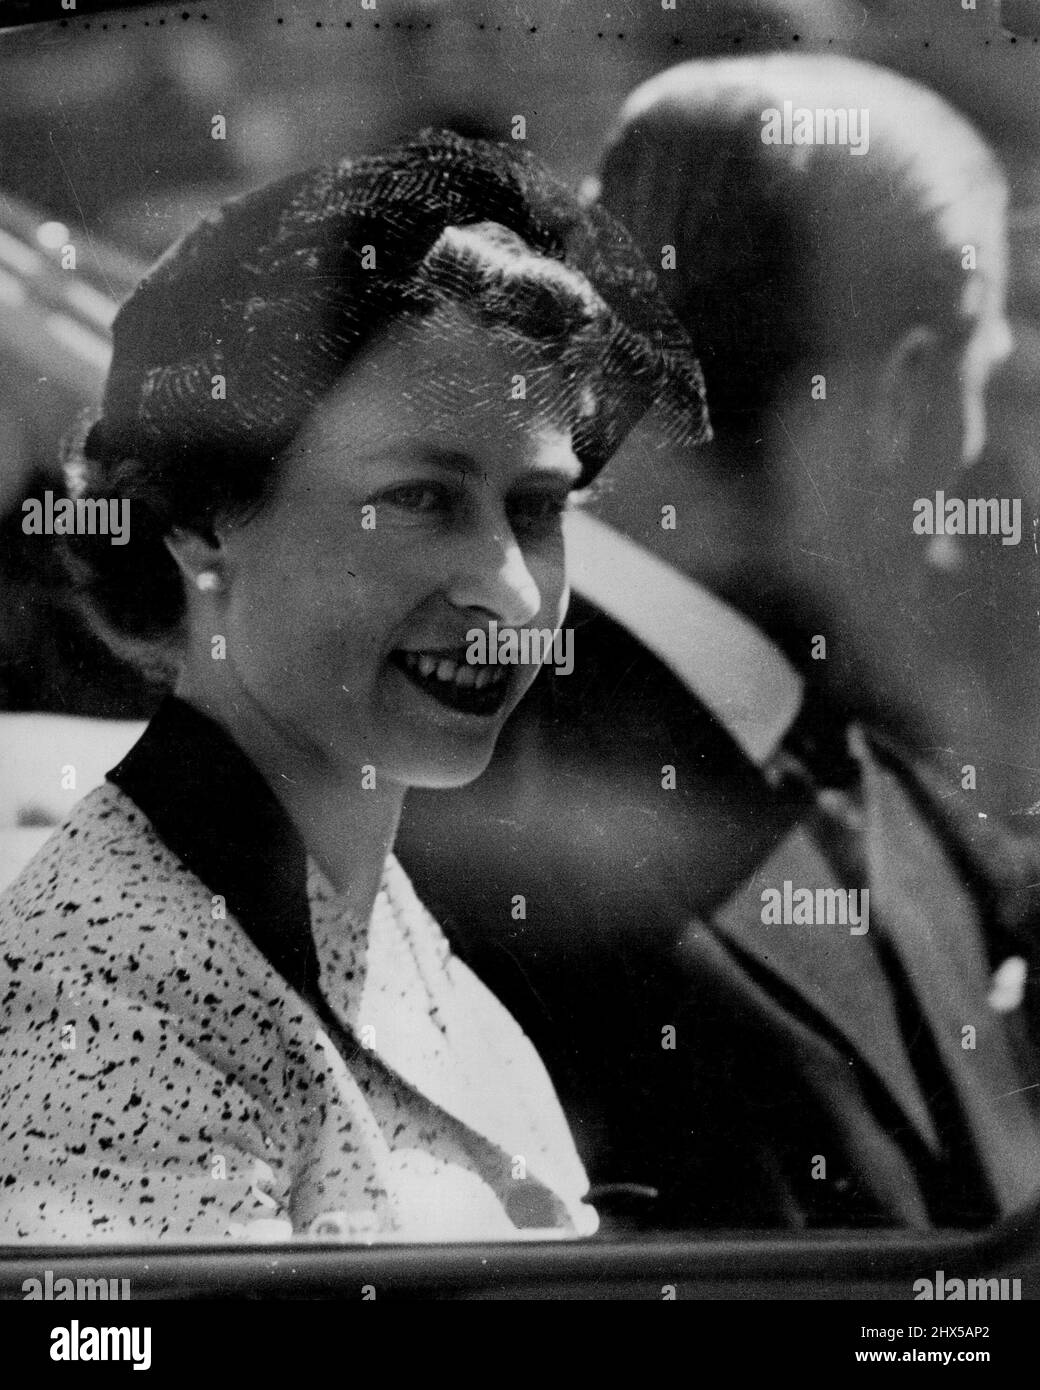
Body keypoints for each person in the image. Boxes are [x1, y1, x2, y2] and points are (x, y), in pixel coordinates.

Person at [0, 131, 709, 1244]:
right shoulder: (103, 996)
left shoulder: (389, 924)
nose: (511, 595)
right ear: (199, 518)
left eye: (535, 510)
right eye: (422, 498)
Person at [397, 59, 1040, 1230]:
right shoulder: (495, 848)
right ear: (901, 396)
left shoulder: (828, 730)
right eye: (984, 380)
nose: (987, 458)